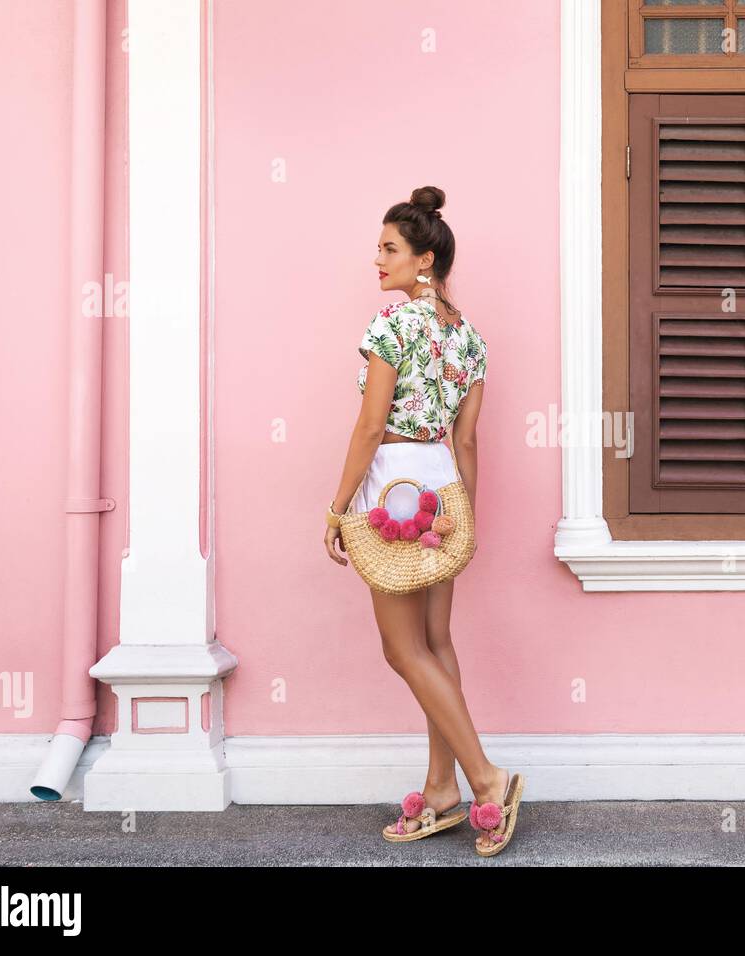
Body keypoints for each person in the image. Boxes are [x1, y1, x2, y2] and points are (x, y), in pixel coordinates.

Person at [322, 186, 523, 856]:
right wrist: (466, 514)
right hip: (443, 489)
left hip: (394, 492)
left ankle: (486, 777)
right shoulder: (469, 339)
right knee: (436, 642)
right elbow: (467, 442)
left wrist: (337, 506)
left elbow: (370, 425)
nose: (376, 260)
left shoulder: (391, 327)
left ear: (424, 260)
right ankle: (442, 789)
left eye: (389, 249)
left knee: (401, 649)